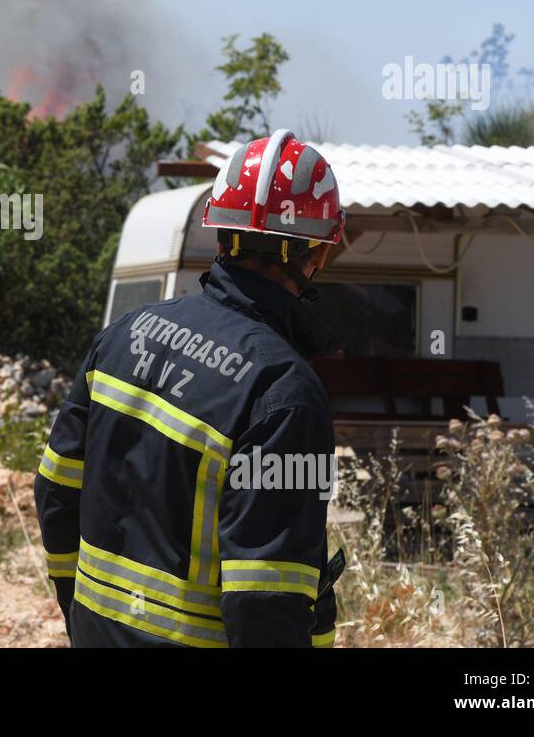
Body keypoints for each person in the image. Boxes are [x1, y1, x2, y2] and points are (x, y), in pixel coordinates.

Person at [35, 129, 345, 647]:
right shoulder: (285, 393)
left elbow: (56, 492)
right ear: (318, 254)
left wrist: (79, 612)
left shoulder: (124, 334)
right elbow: (265, 600)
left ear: (220, 234)